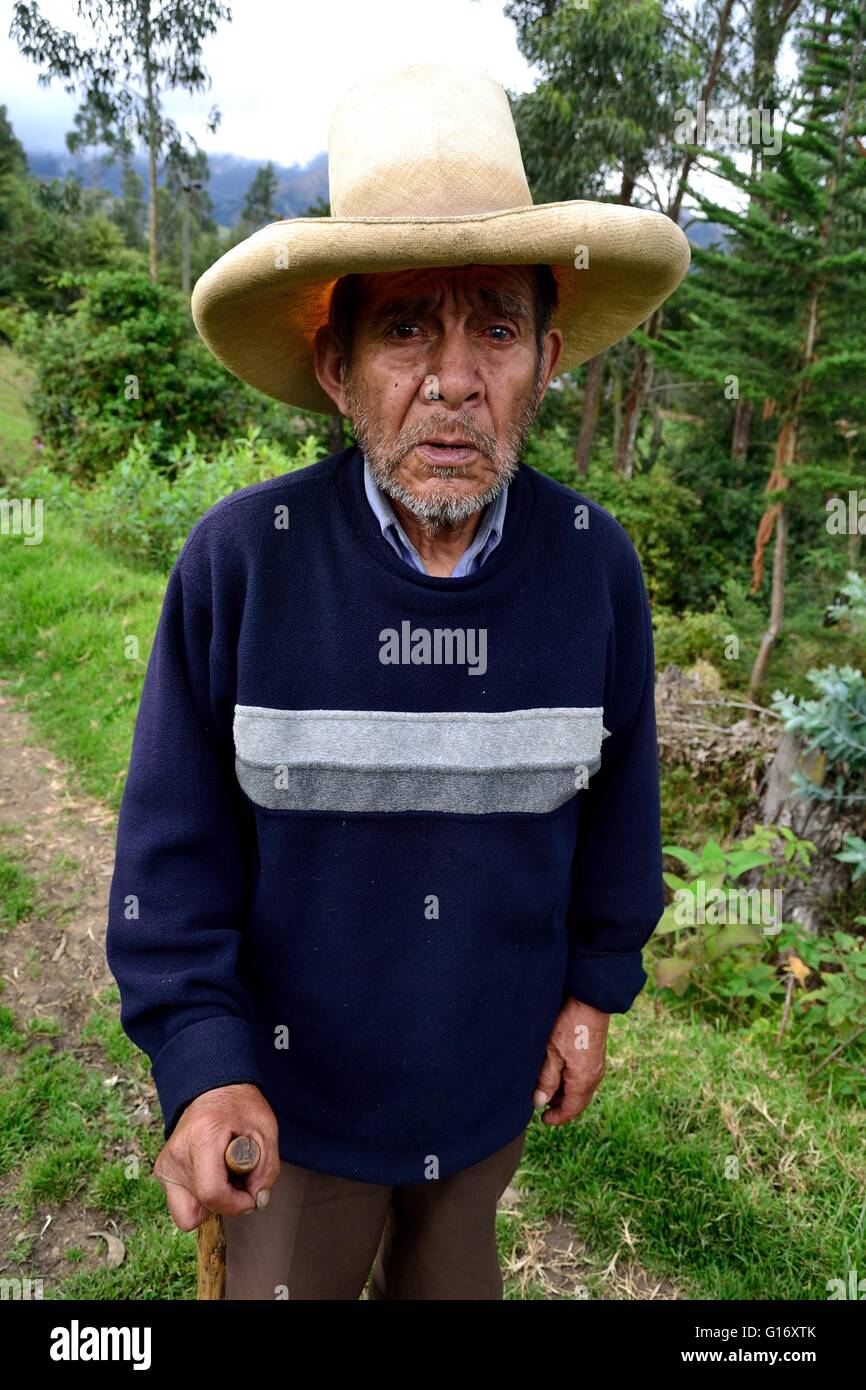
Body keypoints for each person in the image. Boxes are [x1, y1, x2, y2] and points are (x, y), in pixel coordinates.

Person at [106, 63, 690, 1300]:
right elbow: (173, 859)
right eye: (404, 327)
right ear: (335, 365)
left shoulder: (593, 572)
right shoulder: (239, 567)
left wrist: (593, 993)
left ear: (544, 357)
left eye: (492, 327)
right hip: (293, 1111)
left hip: (488, 1098)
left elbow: (618, 822)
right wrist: (206, 1063)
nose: (451, 381)